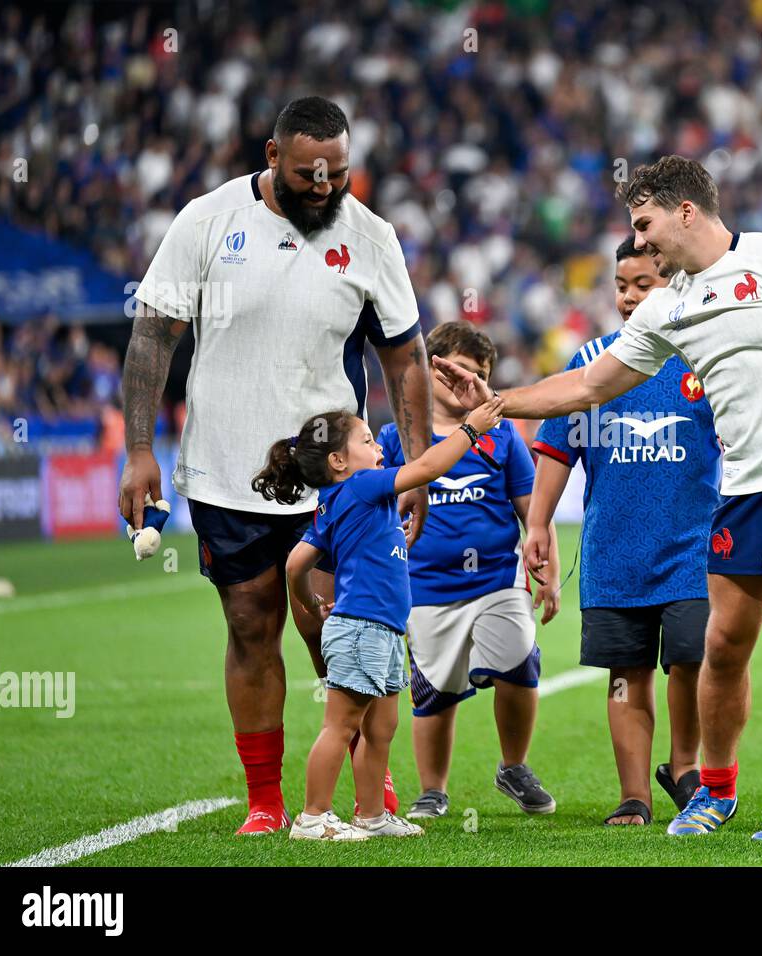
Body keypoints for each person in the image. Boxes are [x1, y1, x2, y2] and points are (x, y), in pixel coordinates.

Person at [436, 155, 762, 841]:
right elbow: (588, 387)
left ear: (685, 211)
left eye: (645, 224)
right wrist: (497, 403)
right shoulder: (668, 307)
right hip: (743, 489)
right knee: (724, 645)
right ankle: (715, 791)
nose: (640, 240)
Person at [119, 96, 433, 834]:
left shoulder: (371, 237)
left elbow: (404, 357)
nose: (324, 185)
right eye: (307, 173)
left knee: (340, 625)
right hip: (226, 469)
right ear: (271, 157)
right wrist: (139, 450)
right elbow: (151, 336)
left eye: (338, 173)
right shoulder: (206, 221)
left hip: (336, 479)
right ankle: (265, 801)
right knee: (250, 625)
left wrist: (414, 464)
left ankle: (367, 789)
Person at [524, 237, 719, 826]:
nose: (631, 298)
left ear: (675, 286)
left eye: (645, 285)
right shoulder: (592, 362)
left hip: (694, 549)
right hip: (614, 552)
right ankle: (634, 796)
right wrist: (537, 522)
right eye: (623, 285)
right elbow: (558, 450)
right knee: (625, 674)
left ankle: (684, 768)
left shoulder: (703, 364)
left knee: (690, 660)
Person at [254, 400, 503, 839]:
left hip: (381, 629)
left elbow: (296, 564)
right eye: (367, 441)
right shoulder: (363, 485)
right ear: (338, 461)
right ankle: (313, 817)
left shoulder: (337, 501)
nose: (377, 447)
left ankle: (371, 814)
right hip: (361, 628)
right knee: (342, 725)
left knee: (381, 727)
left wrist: (311, 601)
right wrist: (470, 429)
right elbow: (427, 468)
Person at [378, 321, 561, 819]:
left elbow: (533, 511)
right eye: (456, 369)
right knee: (434, 694)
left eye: (479, 373)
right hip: (425, 588)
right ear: (428, 370)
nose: (466, 382)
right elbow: (376, 507)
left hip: (497, 581)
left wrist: (547, 572)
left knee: (520, 662)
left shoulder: (502, 436)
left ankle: (514, 766)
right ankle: (432, 790)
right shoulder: (395, 438)